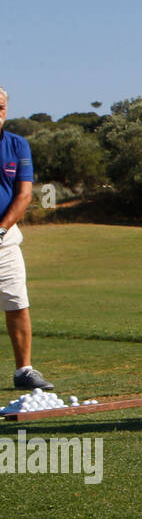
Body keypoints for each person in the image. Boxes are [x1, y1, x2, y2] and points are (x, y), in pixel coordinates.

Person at [0, 89, 54, 392]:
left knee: (17, 302)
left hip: (4, 241)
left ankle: (24, 370)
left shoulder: (18, 145)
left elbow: (23, 195)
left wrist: (1, 230)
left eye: (1, 107)